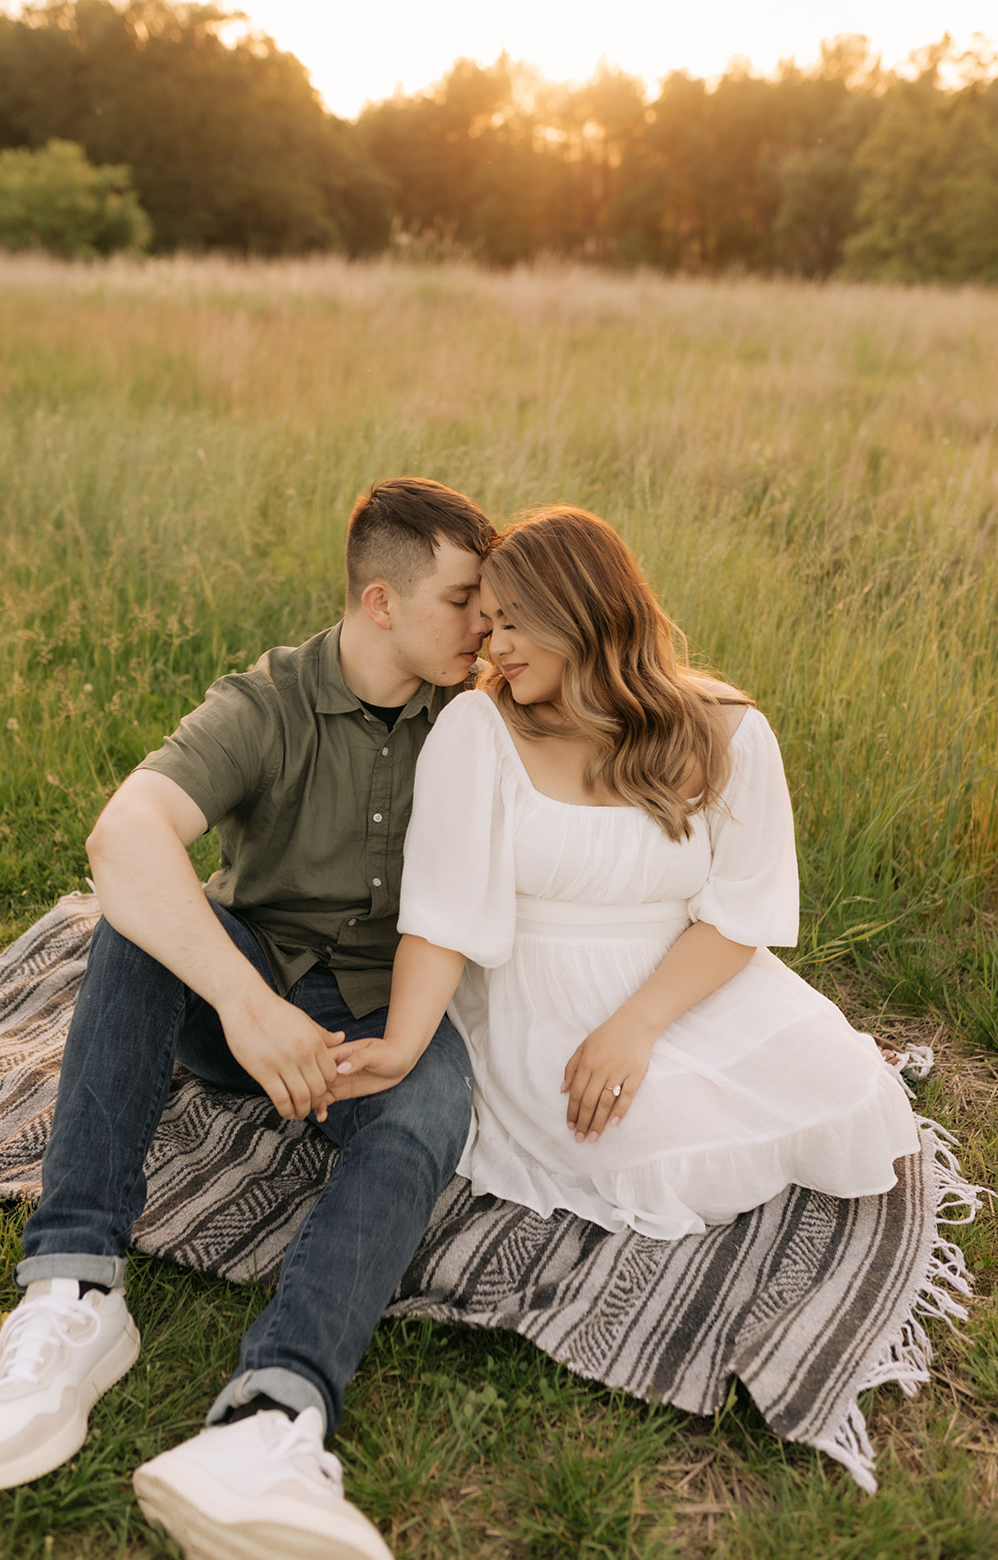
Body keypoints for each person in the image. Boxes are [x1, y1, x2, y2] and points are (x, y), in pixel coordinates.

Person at [0, 478, 496, 1560]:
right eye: (463, 599)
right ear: (379, 601)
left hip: (379, 1021)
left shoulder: (477, 710)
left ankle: (272, 1415)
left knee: (434, 1104)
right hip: (243, 998)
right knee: (136, 918)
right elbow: (126, 833)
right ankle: (74, 1290)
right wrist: (245, 1005)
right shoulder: (268, 700)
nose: (487, 623)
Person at [339, 505, 919, 1240]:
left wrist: (637, 1025)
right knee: (652, 1153)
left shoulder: (727, 729)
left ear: (582, 613)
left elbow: (738, 914)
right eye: (489, 624)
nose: (496, 648)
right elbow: (441, 918)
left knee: (848, 1094)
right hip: (542, 999)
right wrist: (399, 1045)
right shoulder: (478, 731)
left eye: (515, 622)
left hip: (685, 984)